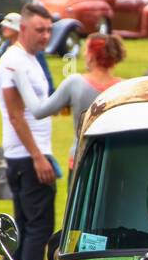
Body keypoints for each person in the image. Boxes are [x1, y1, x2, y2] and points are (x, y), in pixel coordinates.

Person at [0, 3, 57, 260]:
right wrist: (38, 156)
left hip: (26, 153)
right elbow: (16, 115)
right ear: (24, 29)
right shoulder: (14, 62)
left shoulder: (28, 60)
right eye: (39, 30)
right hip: (27, 154)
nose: (45, 36)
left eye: (49, 30)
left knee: (23, 227)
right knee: (39, 227)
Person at [12, 33, 125, 169]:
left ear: (91, 56)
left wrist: (19, 76)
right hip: (114, 161)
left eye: (86, 50)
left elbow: (38, 111)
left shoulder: (76, 83)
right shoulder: (123, 87)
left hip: (81, 162)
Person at [0, 12, 54, 94]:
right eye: (4, 26)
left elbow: (46, 78)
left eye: (8, 26)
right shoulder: (5, 49)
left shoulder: (32, 50)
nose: (4, 28)